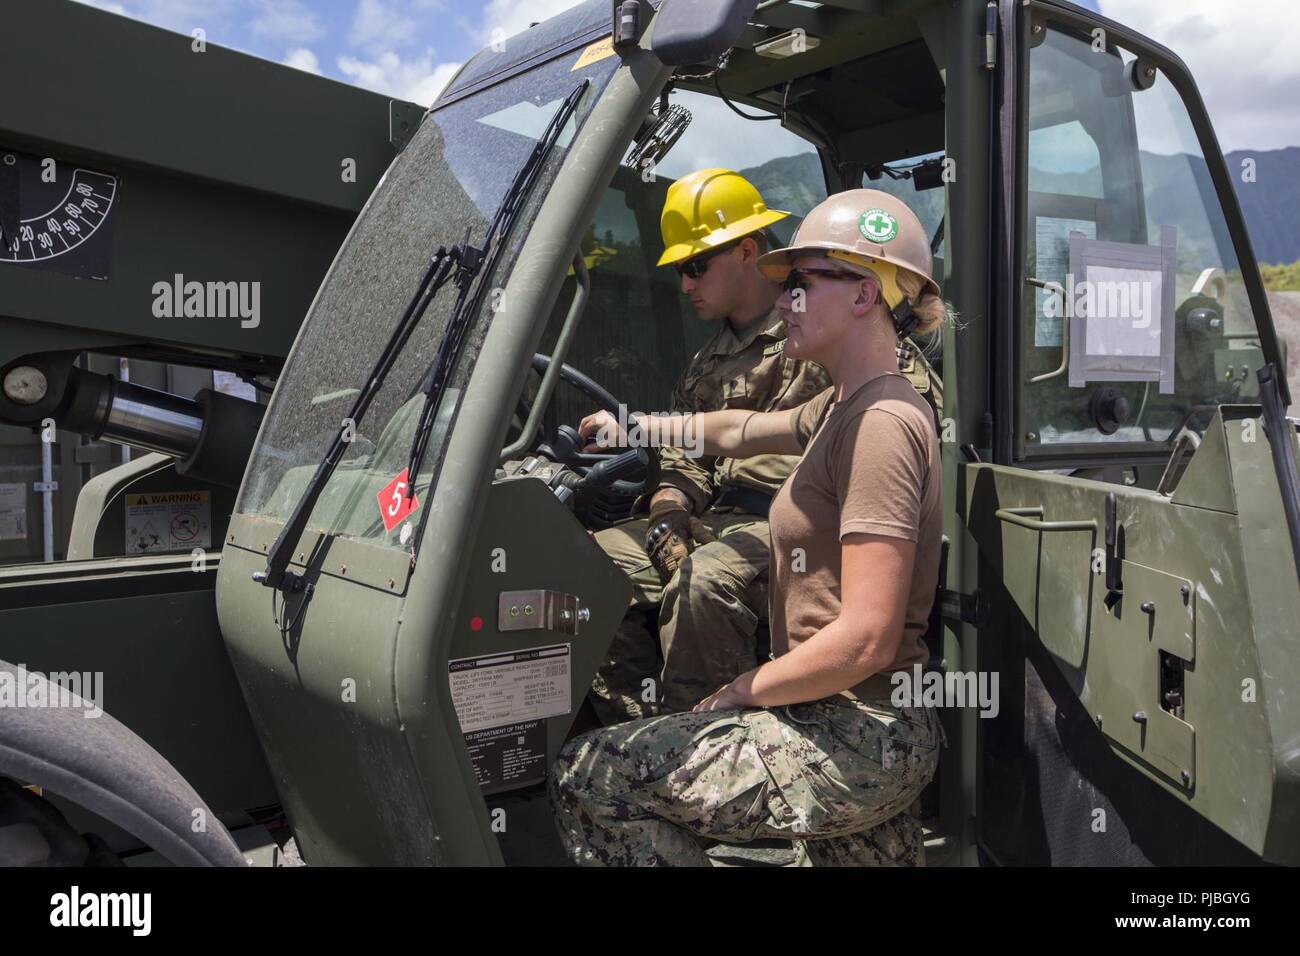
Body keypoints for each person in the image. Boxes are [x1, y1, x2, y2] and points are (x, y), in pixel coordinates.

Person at [552, 189, 949, 866]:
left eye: (800, 283)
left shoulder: (883, 422)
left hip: (858, 729)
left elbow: (869, 638)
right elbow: (734, 428)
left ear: (863, 295)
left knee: (590, 776)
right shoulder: (843, 403)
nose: (785, 299)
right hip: (841, 718)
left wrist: (743, 691)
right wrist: (637, 426)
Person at [589, 168, 830, 723]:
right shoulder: (707, 365)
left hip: (803, 524)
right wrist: (668, 513)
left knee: (703, 584)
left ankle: (704, 749)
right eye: (679, 270)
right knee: (590, 566)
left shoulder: (820, 332)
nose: (685, 284)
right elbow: (686, 460)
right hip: (720, 517)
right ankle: (636, 733)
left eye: (695, 266)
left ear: (747, 251)